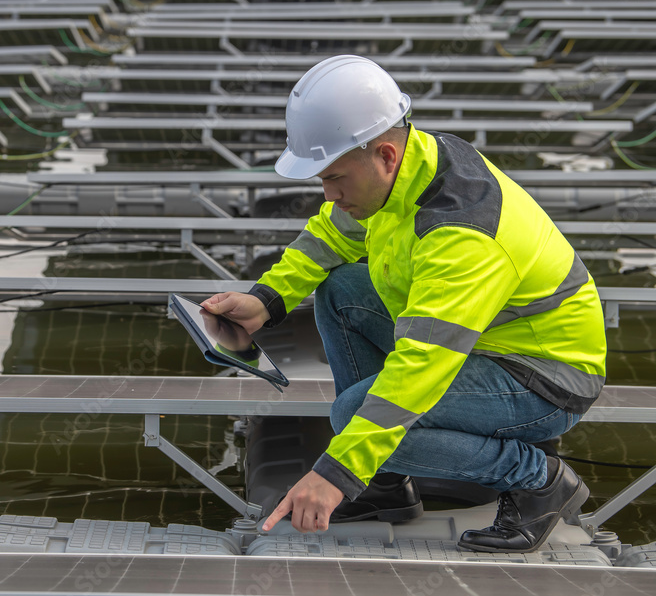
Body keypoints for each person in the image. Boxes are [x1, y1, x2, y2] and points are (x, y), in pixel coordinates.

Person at [201, 55, 607, 553]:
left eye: (335, 177)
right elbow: (332, 234)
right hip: (487, 342)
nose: (328, 194)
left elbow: (422, 366)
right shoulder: (410, 168)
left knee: (353, 414)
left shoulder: (461, 233)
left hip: (544, 378)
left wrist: (337, 472)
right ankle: (386, 487)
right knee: (342, 290)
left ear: (386, 155)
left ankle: (539, 480)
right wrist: (266, 299)